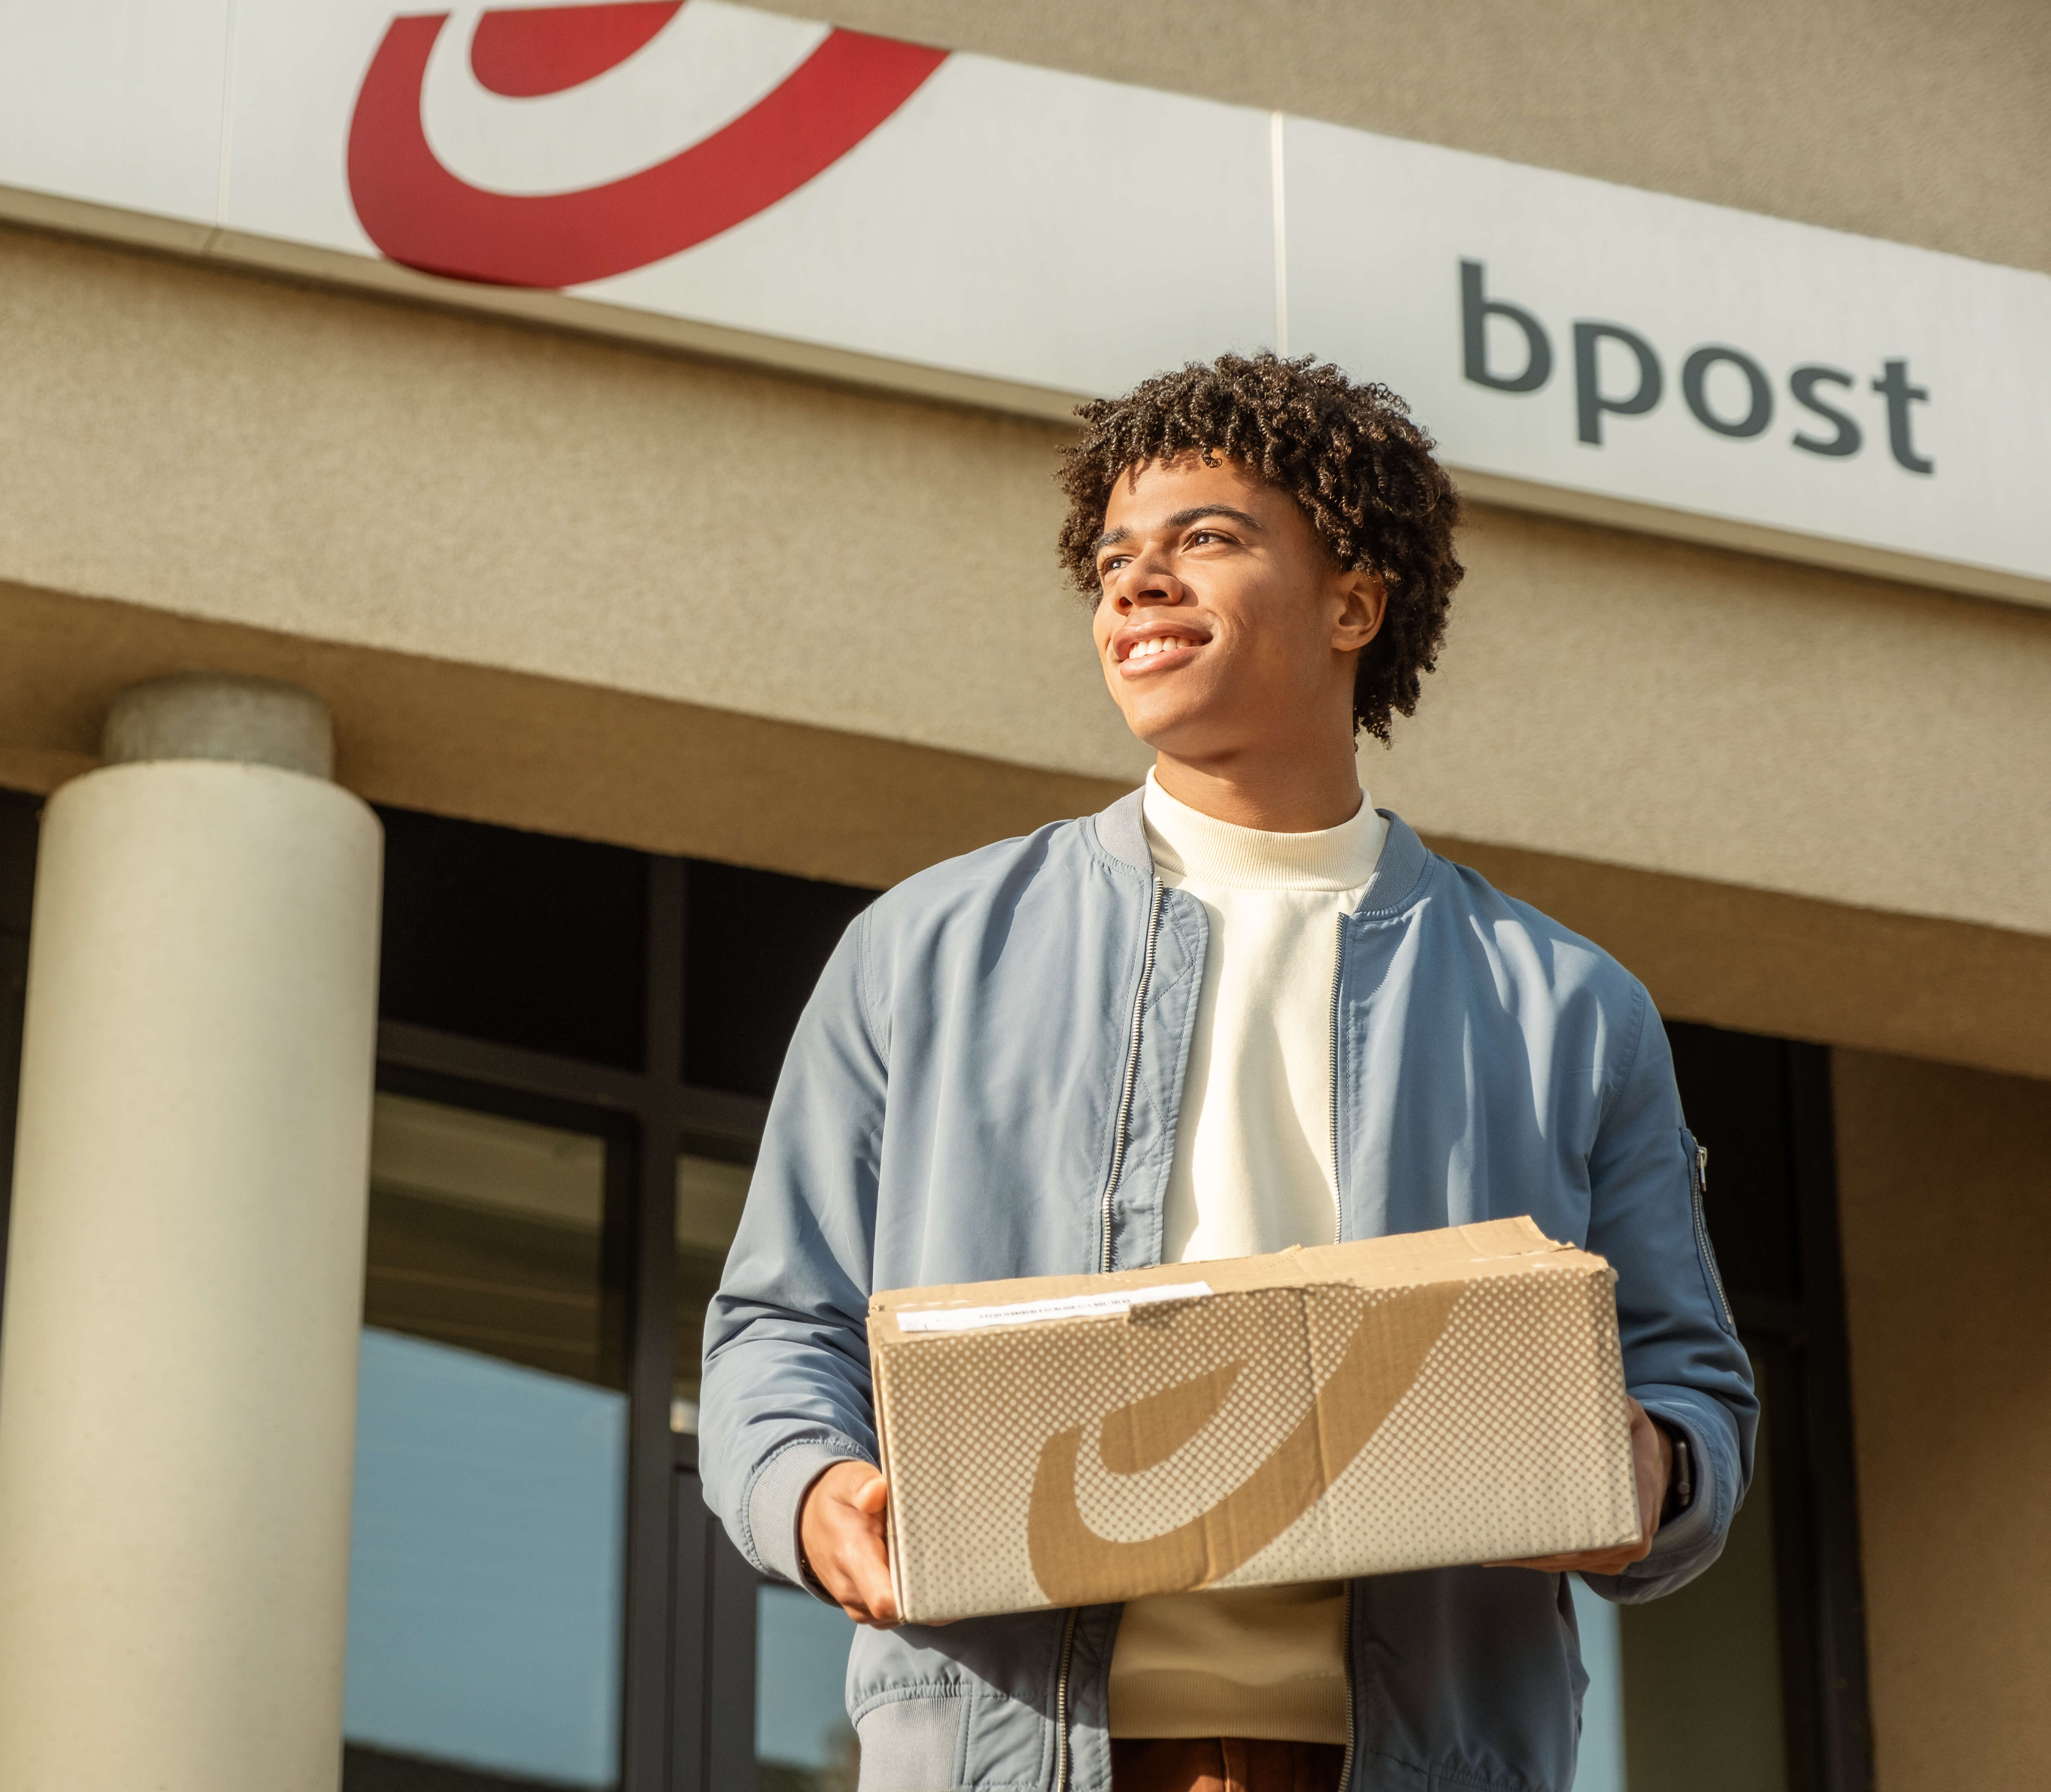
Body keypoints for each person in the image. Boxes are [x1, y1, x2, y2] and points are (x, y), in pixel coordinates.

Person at [698, 354, 1756, 1792]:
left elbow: (1693, 1389)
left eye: (1205, 539)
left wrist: (1648, 1473)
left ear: (1354, 604)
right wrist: (815, 1492)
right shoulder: (921, 952)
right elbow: (775, 1331)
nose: (1137, 585)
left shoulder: (1571, 1007)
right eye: (1115, 559)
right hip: (1015, 1755)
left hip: (1414, 1759)